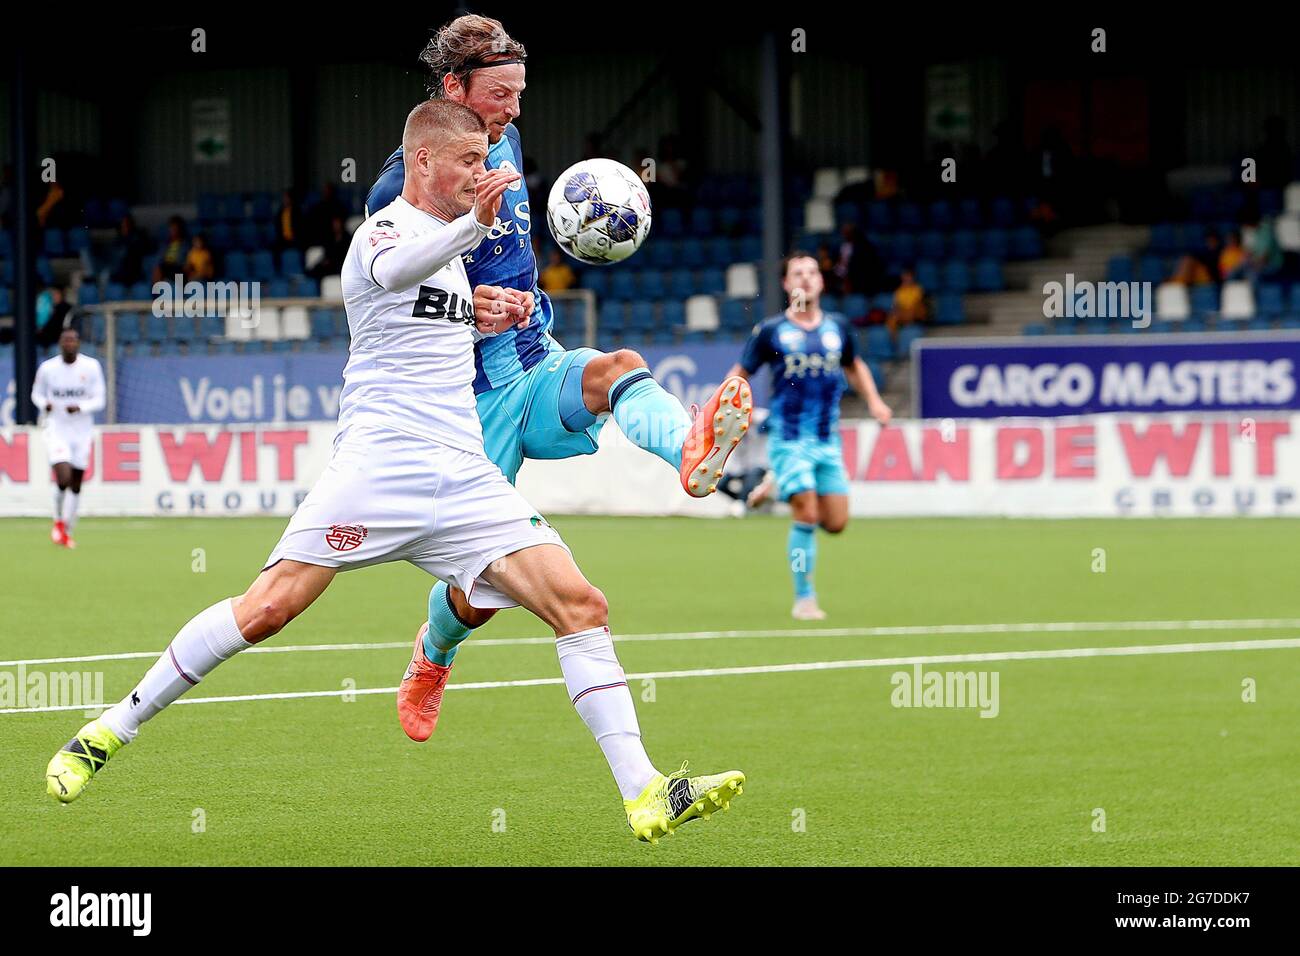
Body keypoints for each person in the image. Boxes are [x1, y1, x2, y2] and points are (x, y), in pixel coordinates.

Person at [44, 100, 744, 844]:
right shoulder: (382, 230)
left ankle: (644, 791)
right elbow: (393, 269)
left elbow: (431, 306)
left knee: (581, 604)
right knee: (267, 609)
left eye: (487, 161)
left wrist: (487, 309)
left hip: (464, 476)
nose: (484, 173)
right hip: (379, 470)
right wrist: (474, 224)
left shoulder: (447, 252)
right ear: (424, 164)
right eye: (470, 162)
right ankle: (110, 728)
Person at [365, 14, 753, 676]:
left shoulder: (506, 140)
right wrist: (468, 310)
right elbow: (386, 300)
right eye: (500, 94)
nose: (514, 110)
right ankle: (433, 653)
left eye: (520, 93)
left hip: (533, 357)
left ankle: (689, 453)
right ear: (454, 87)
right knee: (481, 591)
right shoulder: (401, 184)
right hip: (467, 399)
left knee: (618, 369)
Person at [730, 254, 892, 620]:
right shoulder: (772, 331)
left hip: (826, 441)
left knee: (835, 523)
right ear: (787, 285)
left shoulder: (838, 328)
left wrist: (875, 402)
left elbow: (854, 365)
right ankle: (805, 598)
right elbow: (741, 372)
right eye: (797, 273)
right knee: (806, 511)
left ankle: (776, 485)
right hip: (787, 438)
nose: (805, 279)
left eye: (812, 272)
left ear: (821, 282)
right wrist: (721, 406)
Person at [31, 327, 104, 549]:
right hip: (56, 428)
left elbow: (100, 400)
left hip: (82, 431)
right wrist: (45, 404)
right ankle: (58, 521)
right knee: (63, 477)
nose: (69, 344)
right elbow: (36, 394)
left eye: (73, 340)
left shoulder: (91, 367)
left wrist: (80, 407)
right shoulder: (48, 368)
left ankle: (67, 528)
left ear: (79, 344)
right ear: (60, 344)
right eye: (66, 341)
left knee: (76, 483)